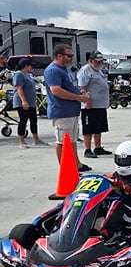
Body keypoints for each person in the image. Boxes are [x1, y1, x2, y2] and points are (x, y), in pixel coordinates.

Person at [44, 43, 92, 172]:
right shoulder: (53, 70)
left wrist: (80, 94)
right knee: (63, 141)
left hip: (71, 111)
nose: (71, 58)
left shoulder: (65, 69)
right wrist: (78, 98)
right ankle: (65, 169)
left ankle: (76, 164)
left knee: (72, 140)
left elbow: (70, 86)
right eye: (69, 55)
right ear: (59, 56)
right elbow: (56, 90)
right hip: (62, 111)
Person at [78, 51, 112, 158]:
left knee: (98, 127)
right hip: (90, 106)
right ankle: (87, 149)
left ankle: (98, 147)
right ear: (90, 61)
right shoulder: (85, 71)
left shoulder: (98, 71)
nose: (100, 63)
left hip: (100, 105)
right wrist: (87, 100)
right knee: (89, 128)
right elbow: (82, 87)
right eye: (98, 61)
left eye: (101, 61)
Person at [12, 58, 47, 148]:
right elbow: (19, 88)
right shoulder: (19, 74)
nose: (31, 67)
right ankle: (22, 141)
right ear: (26, 66)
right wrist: (24, 101)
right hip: (22, 102)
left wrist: (34, 101)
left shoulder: (28, 75)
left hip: (30, 101)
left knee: (33, 120)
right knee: (23, 120)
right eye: (30, 65)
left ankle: (36, 139)